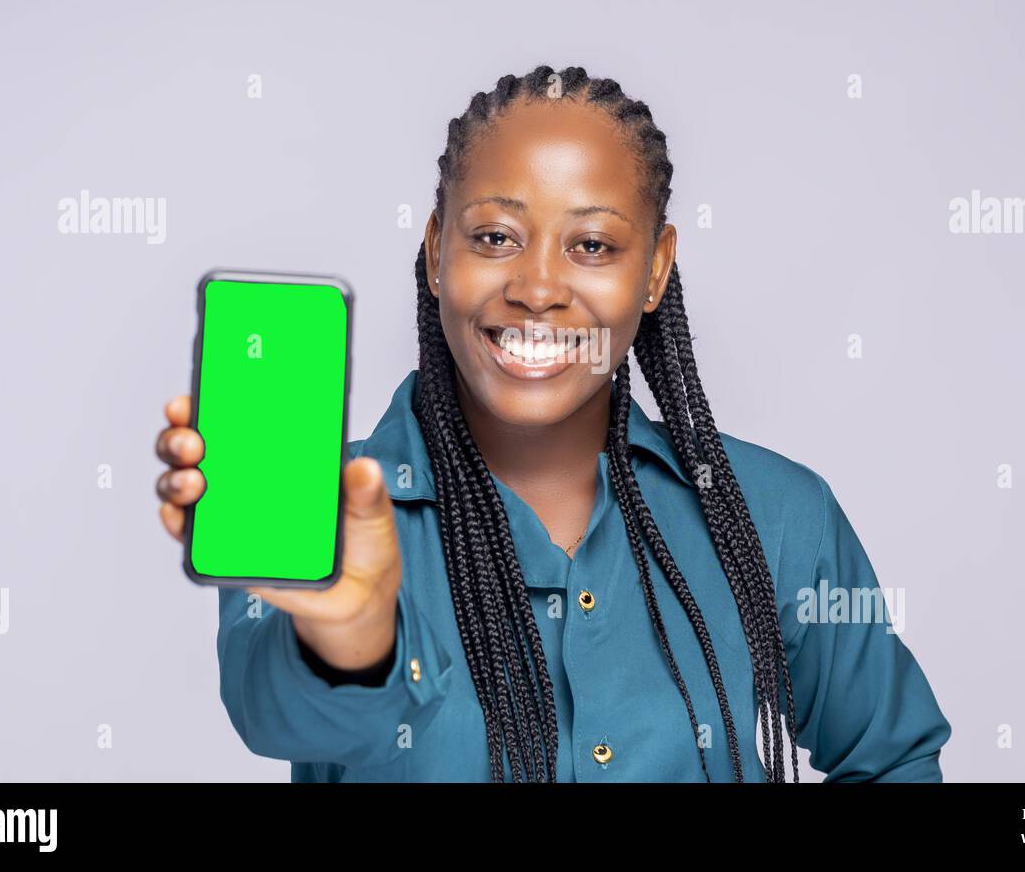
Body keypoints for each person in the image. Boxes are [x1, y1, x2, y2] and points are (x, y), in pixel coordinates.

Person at [154, 64, 953, 782]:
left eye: (593, 245)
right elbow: (273, 718)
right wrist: (356, 640)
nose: (538, 287)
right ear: (437, 252)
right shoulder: (322, 513)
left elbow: (894, 761)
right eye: (495, 237)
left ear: (655, 270)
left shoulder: (778, 516)